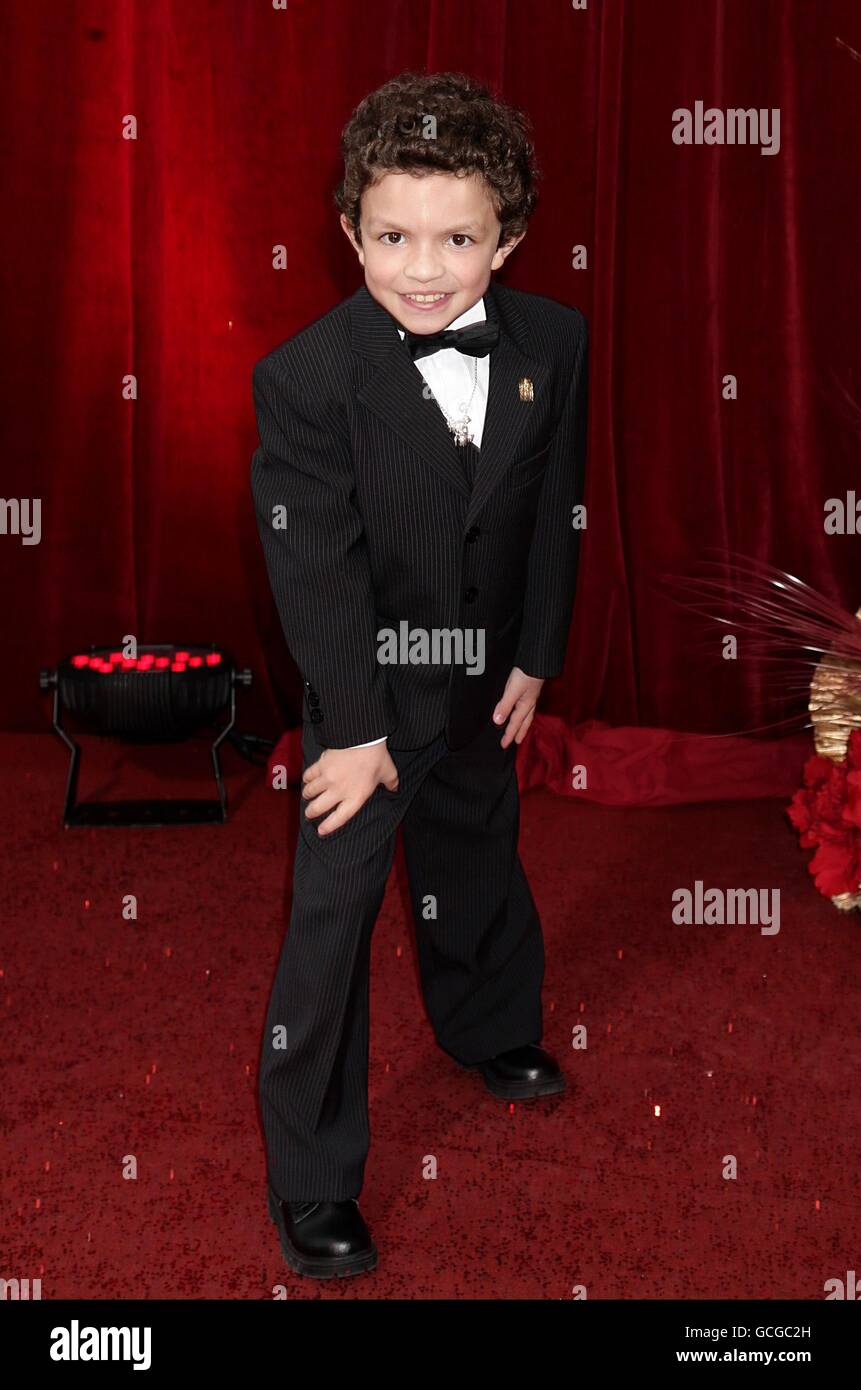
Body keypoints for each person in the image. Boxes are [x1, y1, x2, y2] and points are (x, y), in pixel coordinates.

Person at [250, 69, 588, 1280]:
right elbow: (316, 568)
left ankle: (490, 1023)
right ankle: (312, 1176)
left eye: (459, 237)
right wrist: (346, 729)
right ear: (349, 232)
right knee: (332, 925)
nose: (425, 268)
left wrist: (539, 654)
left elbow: (555, 512)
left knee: (476, 843)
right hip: (366, 692)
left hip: (484, 672)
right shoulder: (307, 378)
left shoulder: (554, 339)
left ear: (511, 239)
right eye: (392, 236)